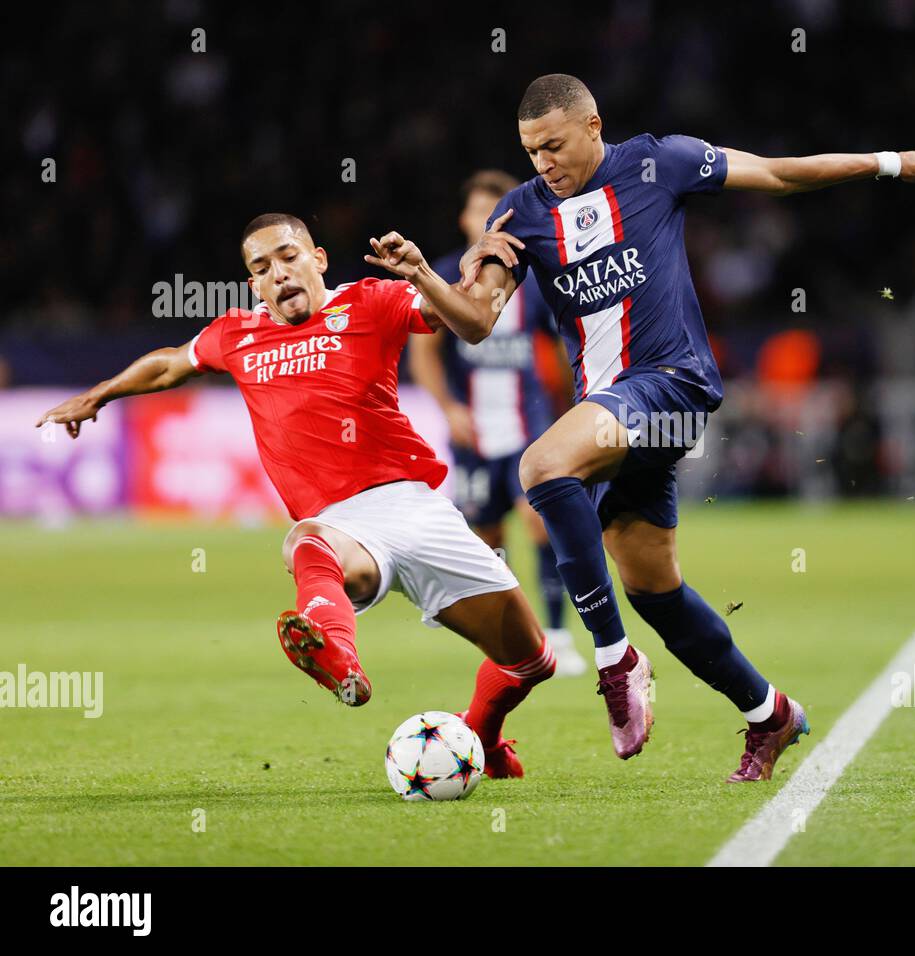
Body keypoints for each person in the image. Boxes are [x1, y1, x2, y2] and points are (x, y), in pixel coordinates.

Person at [369, 73, 915, 782]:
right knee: (654, 586)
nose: (543, 164)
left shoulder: (660, 163)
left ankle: (615, 662)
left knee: (541, 467)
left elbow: (777, 174)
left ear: (594, 126)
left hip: (672, 383)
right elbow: (475, 322)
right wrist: (424, 279)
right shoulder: (520, 213)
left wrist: (893, 162)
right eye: (531, 151)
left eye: (554, 146)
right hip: (618, 417)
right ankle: (769, 713)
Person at [36, 213, 555, 781]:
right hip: (341, 523)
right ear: (253, 284)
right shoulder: (237, 333)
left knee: (530, 659)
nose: (278, 274)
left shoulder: (369, 301)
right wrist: (100, 395)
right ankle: (337, 656)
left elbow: (457, 315)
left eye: (288, 257)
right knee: (306, 542)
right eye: (261, 268)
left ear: (319, 259)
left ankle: (481, 734)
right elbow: (169, 365)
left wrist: (426, 274)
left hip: (414, 504)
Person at [409, 170, 586, 676]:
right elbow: (423, 353)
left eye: (495, 212)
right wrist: (447, 408)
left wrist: (571, 402)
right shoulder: (440, 274)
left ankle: (556, 633)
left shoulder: (531, 276)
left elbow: (555, 344)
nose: (484, 221)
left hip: (526, 425)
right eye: (476, 211)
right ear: (465, 219)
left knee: (539, 522)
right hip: (473, 431)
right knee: (488, 541)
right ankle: (513, 644)